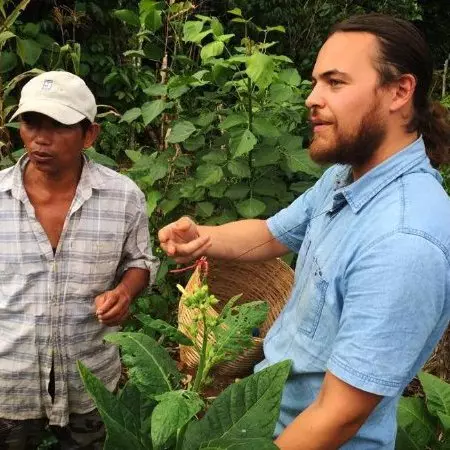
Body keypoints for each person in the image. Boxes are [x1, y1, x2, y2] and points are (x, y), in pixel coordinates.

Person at [159, 14, 450, 450]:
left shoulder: (404, 241)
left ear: (399, 92)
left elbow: (338, 417)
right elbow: (273, 234)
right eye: (316, 82)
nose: (312, 98)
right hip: (267, 420)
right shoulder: (345, 178)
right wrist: (203, 237)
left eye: (335, 82)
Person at [0, 71, 158, 449]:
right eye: (31, 123)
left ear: (89, 135)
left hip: (89, 378)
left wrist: (125, 291)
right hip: (9, 382)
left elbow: (141, 261)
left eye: (58, 125)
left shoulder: (123, 197)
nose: (40, 138)